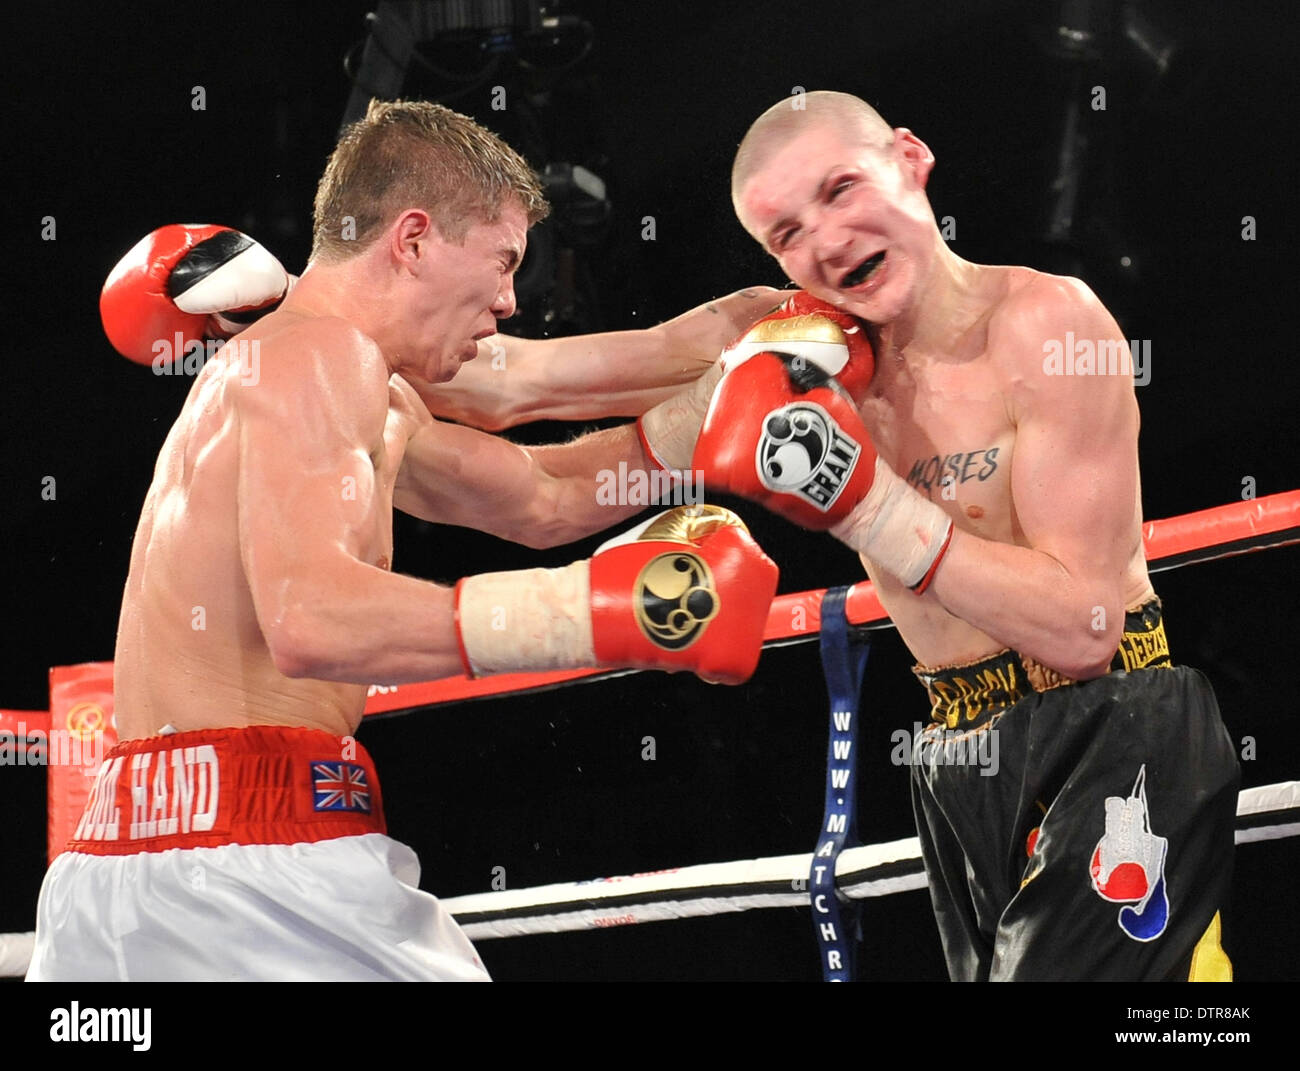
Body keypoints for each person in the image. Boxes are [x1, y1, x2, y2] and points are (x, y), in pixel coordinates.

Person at [26, 99, 781, 982]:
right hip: (247, 870)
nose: (508, 300)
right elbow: (310, 619)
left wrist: (717, 413)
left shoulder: (345, 383)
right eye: (501, 263)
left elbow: (542, 493)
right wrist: (606, 611)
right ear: (413, 239)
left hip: (121, 868)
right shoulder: (320, 355)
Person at [691, 91, 1239, 981]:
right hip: (958, 755)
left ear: (911, 157)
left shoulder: (1047, 326)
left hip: (1112, 726)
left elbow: (1085, 630)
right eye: (787, 233)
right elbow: (544, 403)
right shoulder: (807, 371)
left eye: (841, 189)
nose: (826, 241)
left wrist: (864, 502)